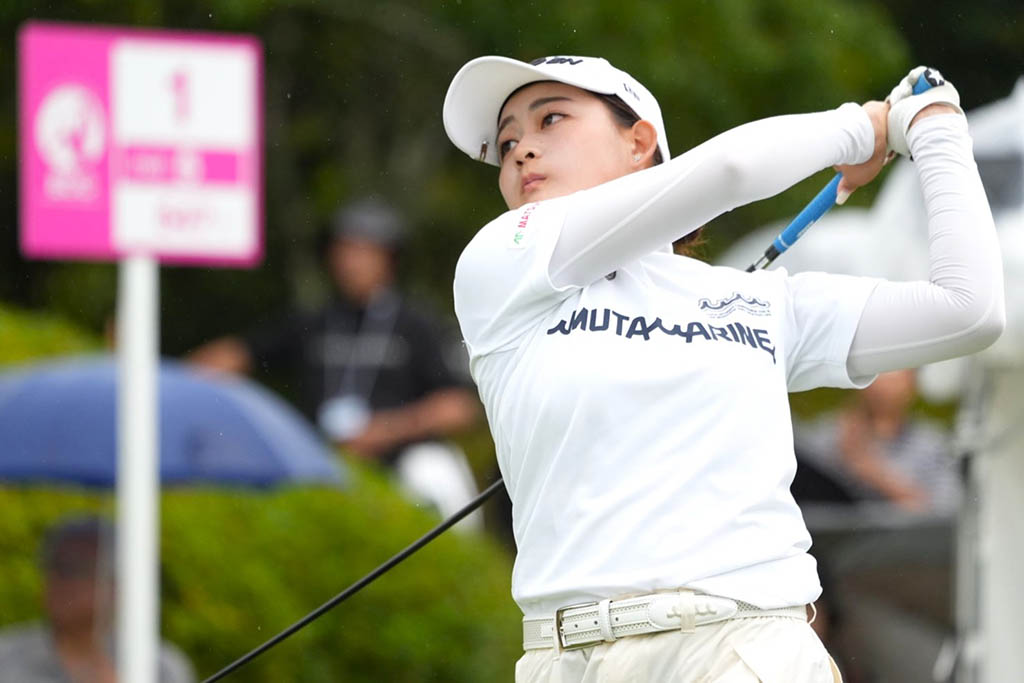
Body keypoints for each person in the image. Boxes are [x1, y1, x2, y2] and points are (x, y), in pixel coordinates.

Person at [442, 55, 1003, 682]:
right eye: (509, 140)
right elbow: (729, 171)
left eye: (551, 119)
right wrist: (864, 127)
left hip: (748, 647)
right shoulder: (501, 261)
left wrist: (934, 128)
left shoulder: (763, 303)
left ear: (639, 143)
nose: (521, 151)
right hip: (571, 659)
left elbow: (968, 309)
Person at [189, 198, 483, 526]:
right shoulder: (313, 320)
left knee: (436, 472)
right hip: (320, 464)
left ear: (390, 258)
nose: (350, 262)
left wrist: (382, 432)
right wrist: (174, 380)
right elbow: (237, 354)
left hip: (401, 464)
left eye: (363, 250)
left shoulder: (418, 325)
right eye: (343, 250)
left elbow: (459, 407)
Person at [0, 516, 195, 683]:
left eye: (76, 570)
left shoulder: (160, 666)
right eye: (55, 567)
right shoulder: (5, 656)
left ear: (120, 583)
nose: (59, 581)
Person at [795, 368, 961, 513]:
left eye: (896, 378)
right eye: (878, 376)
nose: (885, 388)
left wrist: (870, 471)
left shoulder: (933, 446)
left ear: (913, 384)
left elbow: (942, 514)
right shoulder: (826, 437)